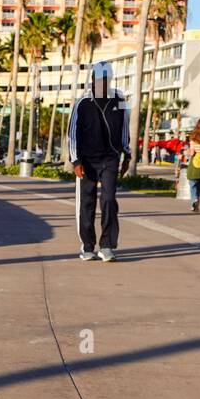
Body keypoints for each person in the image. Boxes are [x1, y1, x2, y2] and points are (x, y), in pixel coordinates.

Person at [67, 61, 131, 262]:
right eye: (99, 79)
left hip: (110, 157)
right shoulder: (83, 102)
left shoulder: (119, 99)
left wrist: (127, 153)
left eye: (106, 79)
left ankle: (107, 246)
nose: (102, 83)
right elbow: (73, 133)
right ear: (93, 79)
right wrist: (76, 160)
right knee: (87, 202)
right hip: (86, 160)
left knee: (109, 200)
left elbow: (124, 127)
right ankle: (87, 246)